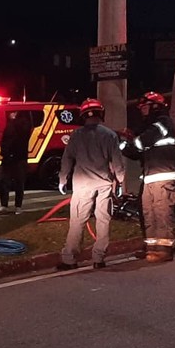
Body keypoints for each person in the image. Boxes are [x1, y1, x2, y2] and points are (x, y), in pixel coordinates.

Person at [57, 98, 126, 270]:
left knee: (78, 221)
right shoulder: (109, 135)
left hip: (82, 185)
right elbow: (117, 162)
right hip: (103, 184)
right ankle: (99, 258)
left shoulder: (76, 135)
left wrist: (62, 179)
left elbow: (67, 159)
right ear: (101, 113)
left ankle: (70, 259)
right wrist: (121, 180)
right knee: (103, 220)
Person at [130, 91, 175, 262]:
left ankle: (165, 249)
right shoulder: (148, 126)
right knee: (148, 213)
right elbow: (134, 151)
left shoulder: (163, 123)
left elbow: (142, 142)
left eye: (145, 106)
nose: (142, 110)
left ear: (156, 106)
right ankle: (151, 248)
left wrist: (131, 138)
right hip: (149, 177)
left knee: (161, 212)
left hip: (163, 176)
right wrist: (120, 142)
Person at [0, 110, 32, 214]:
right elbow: (6, 141)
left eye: (14, 112)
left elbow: (17, 140)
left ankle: (17, 207)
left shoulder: (22, 125)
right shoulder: (12, 125)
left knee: (18, 182)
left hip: (18, 158)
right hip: (8, 158)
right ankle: (5, 205)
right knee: (4, 181)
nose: (11, 114)